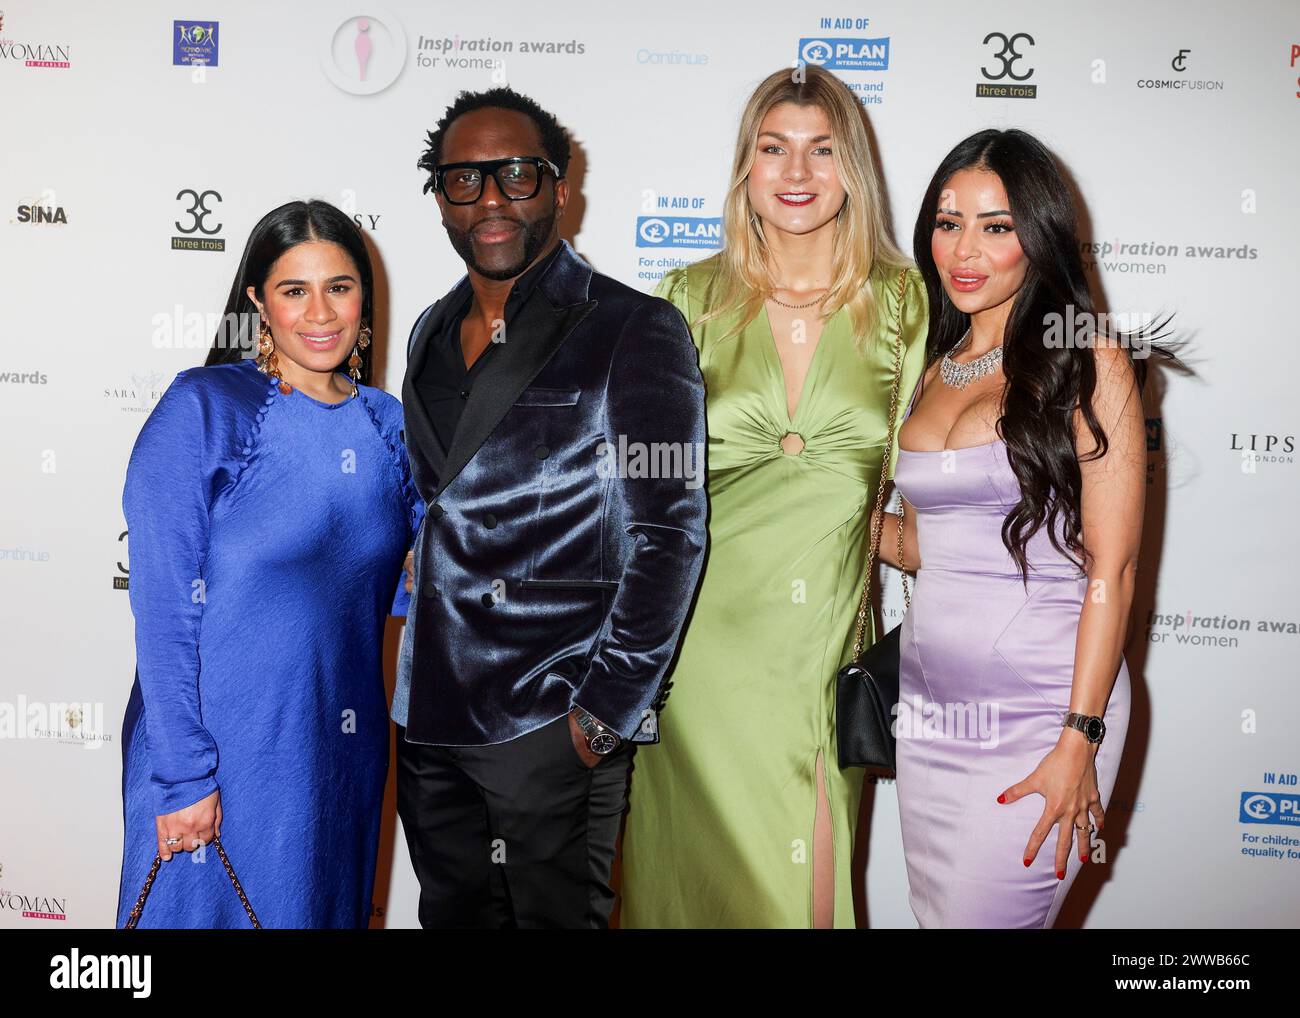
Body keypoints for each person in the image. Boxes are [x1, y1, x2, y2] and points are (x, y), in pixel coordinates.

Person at [618, 65, 928, 929]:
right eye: (774, 149)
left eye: (823, 151)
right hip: (692, 658)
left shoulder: (908, 304)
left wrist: (905, 539)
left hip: (821, 654)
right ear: (745, 168)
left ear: (853, 170)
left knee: (805, 895)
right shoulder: (685, 300)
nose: (797, 174)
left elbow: (965, 481)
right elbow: (635, 484)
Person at [393, 86, 707, 929]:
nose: (491, 198)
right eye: (465, 180)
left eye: (517, 175)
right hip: (429, 726)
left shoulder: (632, 328)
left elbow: (669, 532)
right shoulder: (428, 329)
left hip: (551, 717)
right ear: (440, 199)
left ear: (561, 189)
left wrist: (601, 716)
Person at [878, 128, 1159, 927]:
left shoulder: (1088, 359)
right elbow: (934, 548)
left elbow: (1114, 568)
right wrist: (848, 520)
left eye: (995, 227)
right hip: (931, 716)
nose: (963, 250)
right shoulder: (936, 363)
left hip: (1042, 715)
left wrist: (1079, 738)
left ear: (1037, 236)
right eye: (946, 221)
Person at [116, 200, 418, 928]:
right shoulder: (207, 408)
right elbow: (162, 607)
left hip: (339, 754)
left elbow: (401, 587)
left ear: (363, 300)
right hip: (216, 752)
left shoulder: (391, 425)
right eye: (294, 290)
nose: (320, 312)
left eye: (340, 287)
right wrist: (184, 773)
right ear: (258, 301)